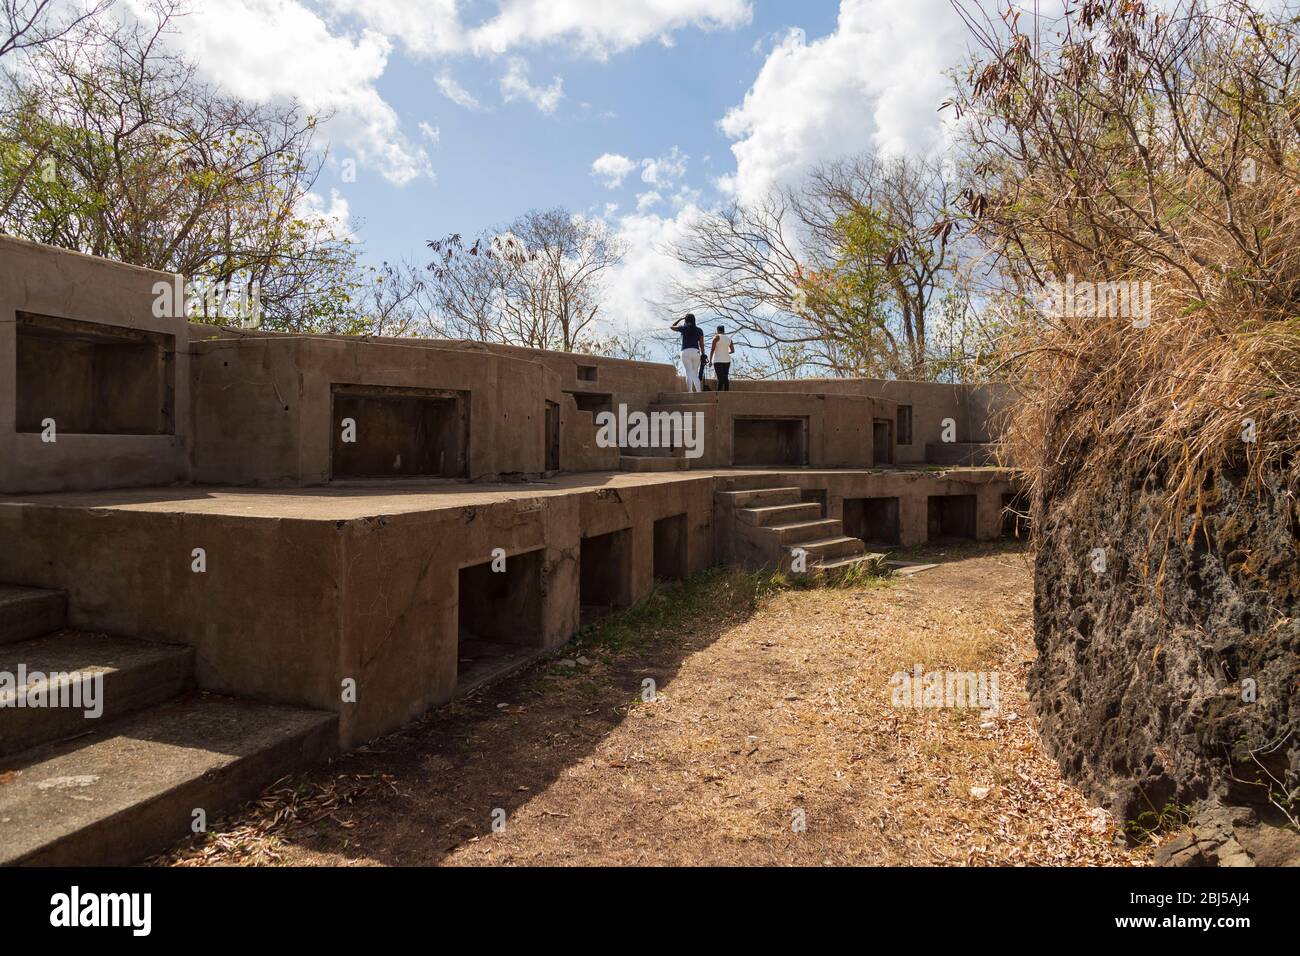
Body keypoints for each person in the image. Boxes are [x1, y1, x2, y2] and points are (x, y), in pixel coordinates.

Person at [671, 313, 705, 393]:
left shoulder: (683, 328)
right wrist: (703, 354)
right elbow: (701, 344)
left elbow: (672, 327)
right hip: (695, 352)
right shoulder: (699, 330)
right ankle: (699, 392)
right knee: (695, 374)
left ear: (686, 320)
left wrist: (680, 319)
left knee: (688, 372)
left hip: (685, 352)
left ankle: (689, 392)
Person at [710, 324, 733, 391]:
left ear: (717, 330)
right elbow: (732, 350)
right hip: (727, 360)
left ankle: (718, 396)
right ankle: (726, 395)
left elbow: (712, 350)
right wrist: (726, 352)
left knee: (720, 378)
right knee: (725, 377)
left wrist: (710, 360)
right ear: (724, 331)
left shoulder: (716, 337)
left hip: (718, 360)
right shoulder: (729, 339)